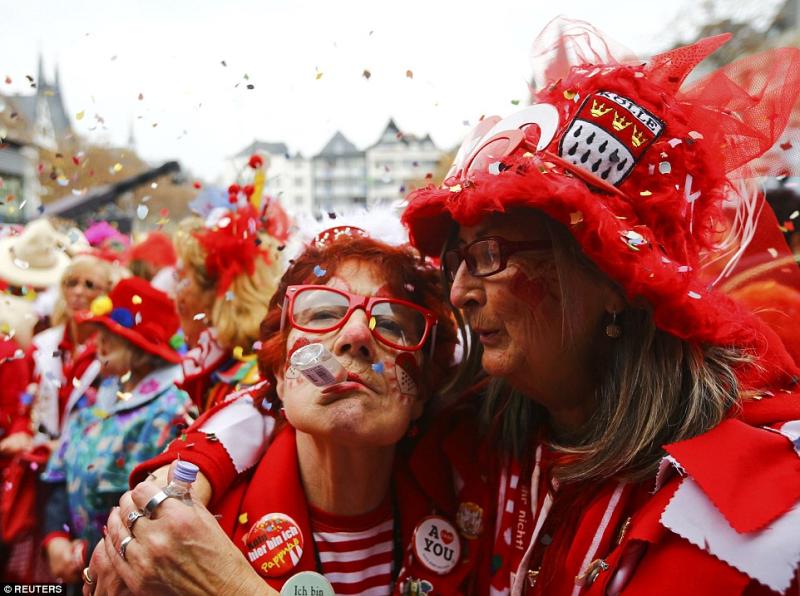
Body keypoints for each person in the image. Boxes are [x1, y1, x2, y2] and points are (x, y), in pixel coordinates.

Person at [398, 21, 800, 595]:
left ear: (613, 277)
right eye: (455, 258)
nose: (460, 291)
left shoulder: (739, 513)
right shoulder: (476, 433)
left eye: (489, 254)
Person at [83, 228, 496, 595]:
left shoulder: (477, 514)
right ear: (279, 373)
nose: (355, 335)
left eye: (391, 324)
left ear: (423, 389)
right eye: (322, 313)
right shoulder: (182, 539)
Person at [40, 276, 193, 584]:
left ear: (140, 350)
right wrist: (56, 539)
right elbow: (60, 476)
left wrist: (89, 551)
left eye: (111, 335)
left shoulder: (171, 409)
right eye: (100, 333)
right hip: (75, 569)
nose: (99, 343)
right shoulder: (100, 393)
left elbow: (157, 507)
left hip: (125, 571)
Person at [173, 206, 283, 412]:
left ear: (214, 293)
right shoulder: (223, 369)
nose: (175, 296)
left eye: (181, 279)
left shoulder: (253, 383)